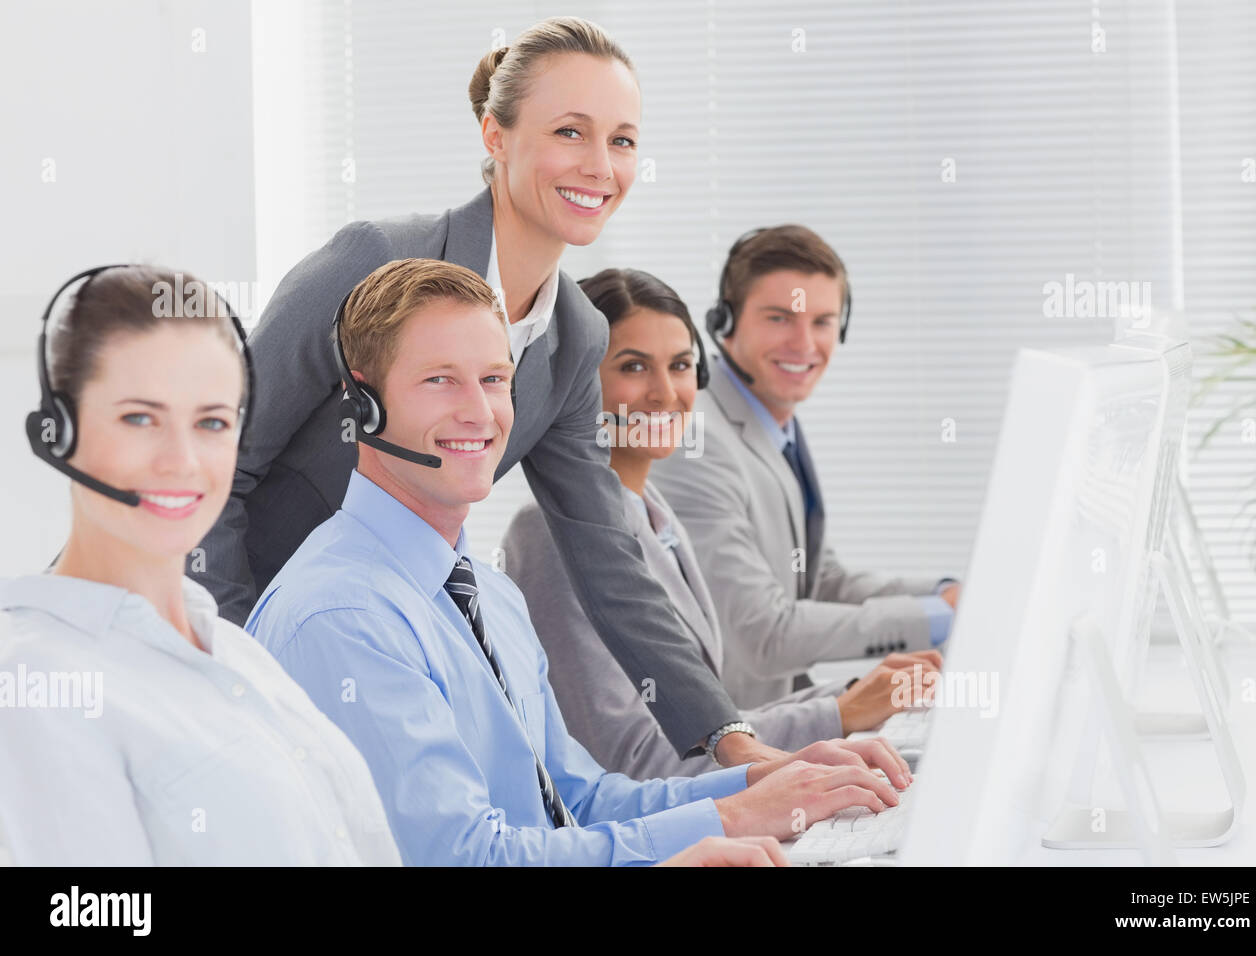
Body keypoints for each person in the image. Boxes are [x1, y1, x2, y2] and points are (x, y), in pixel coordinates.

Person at [196, 15, 767, 767]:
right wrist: (246, 671)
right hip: (239, 646)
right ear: (495, 137)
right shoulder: (373, 260)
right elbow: (211, 466)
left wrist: (733, 742)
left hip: (374, 657)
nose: (600, 165)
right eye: (570, 131)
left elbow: (609, 563)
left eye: (622, 140)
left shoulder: (575, 337)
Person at [245, 258, 913, 866]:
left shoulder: (490, 596)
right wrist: (730, 818)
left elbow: (579, 800)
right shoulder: (344, 615)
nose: (479, 412)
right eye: (440, 380)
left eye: (494, 379)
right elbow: (465, 858)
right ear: (361, 403)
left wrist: (761, 782)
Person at [0, 265, 401, 865]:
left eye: (212, 422)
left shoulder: (239, 652)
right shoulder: (36, 687)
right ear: (58, 431)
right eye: (140, 418)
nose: (183, 460)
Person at [503, 268, 942, 778]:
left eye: (682, 365)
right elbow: (630, 761)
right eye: (634, 366)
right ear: (579, 380)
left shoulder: (656, 515)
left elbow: (712, 727)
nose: (665, 392)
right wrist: (840, 715)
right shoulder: (551, 533)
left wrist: (852, 696)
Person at [652, 226, 962, 710]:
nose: (804, 343)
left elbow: (820, 580)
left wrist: (948, 594)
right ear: (724, 321)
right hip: (717, 749)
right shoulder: (697, 440)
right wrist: (934, 618)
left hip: (777, 726)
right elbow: (762, 632)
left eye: (822, 321)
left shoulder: (772, 427)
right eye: (780, 318)